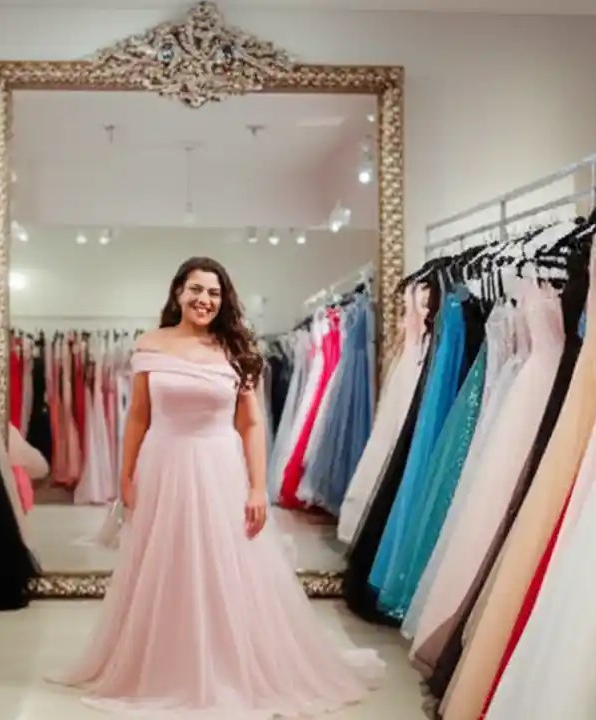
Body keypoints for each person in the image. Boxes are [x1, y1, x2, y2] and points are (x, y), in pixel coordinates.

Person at [51, 257, 384, 718]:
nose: (204, 299)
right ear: (178, 293)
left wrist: (255, 488)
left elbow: (250, 423)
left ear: (223, 299)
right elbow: (140, 417)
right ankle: (165, 665)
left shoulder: (235, 349)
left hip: (218, 468)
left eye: (213, 292)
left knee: (228, 566)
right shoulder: (151, 344)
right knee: (163, 565)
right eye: (195, 290)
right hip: (163, 466)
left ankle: (226, 664)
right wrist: (124, 477)